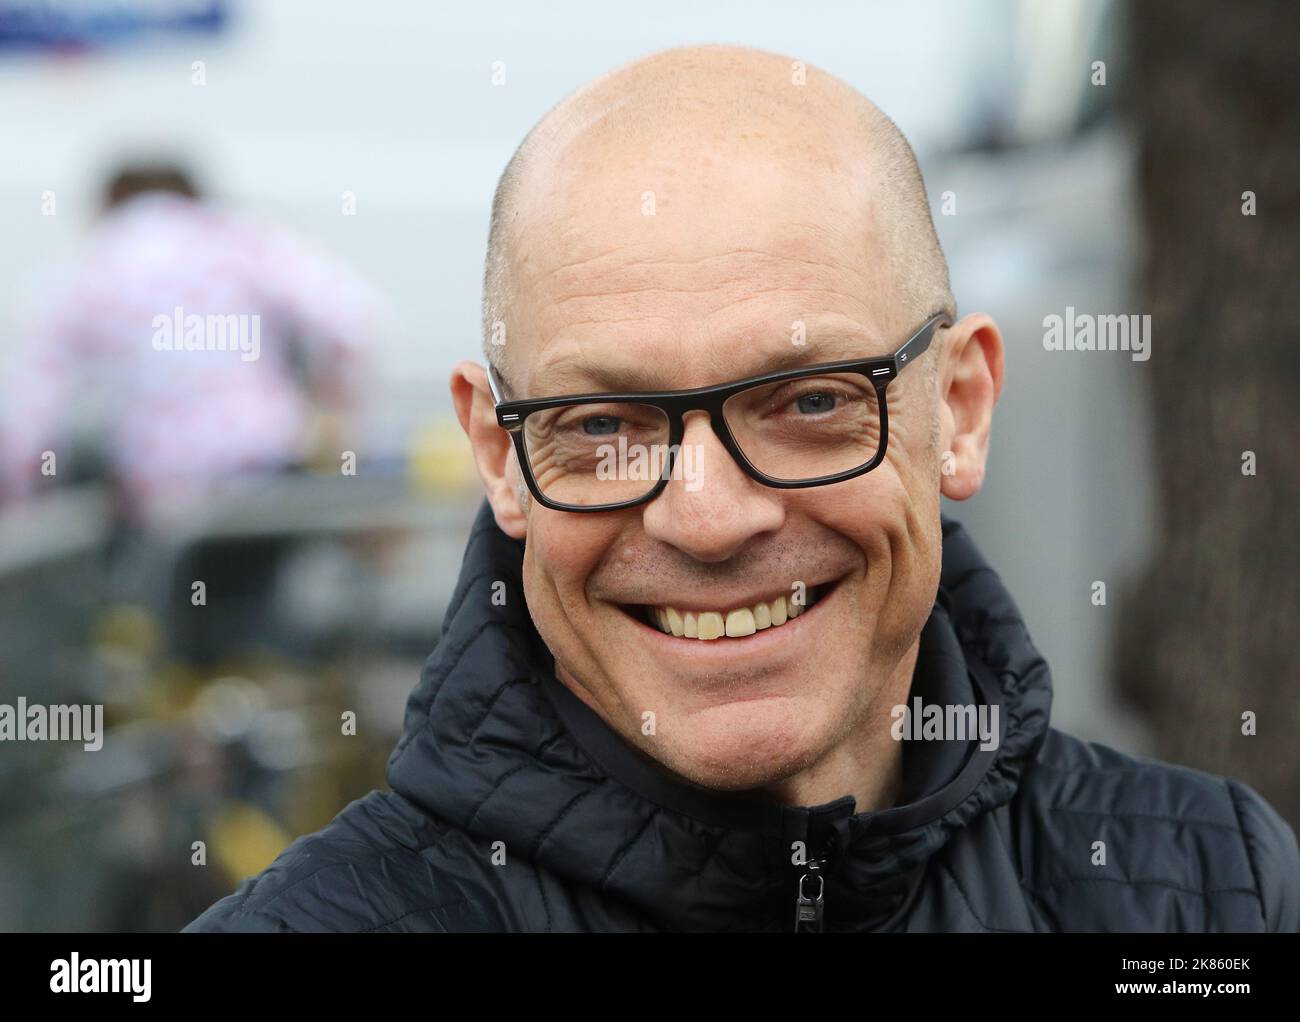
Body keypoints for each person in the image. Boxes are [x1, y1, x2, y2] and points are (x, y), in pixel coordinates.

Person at [184, 45, 1300, 932]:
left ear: (957, 410)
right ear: (497, 455)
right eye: (603, 424)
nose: (707, 516)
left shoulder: (1213, 884)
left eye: (810, 401)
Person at [0, 161, 382, 519]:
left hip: (159, 490)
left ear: (106, 205)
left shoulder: (91, 267)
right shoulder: (244, 241)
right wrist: (334, 413)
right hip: (270, 465)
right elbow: (351, 323)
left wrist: (18, 506)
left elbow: (29, 416)